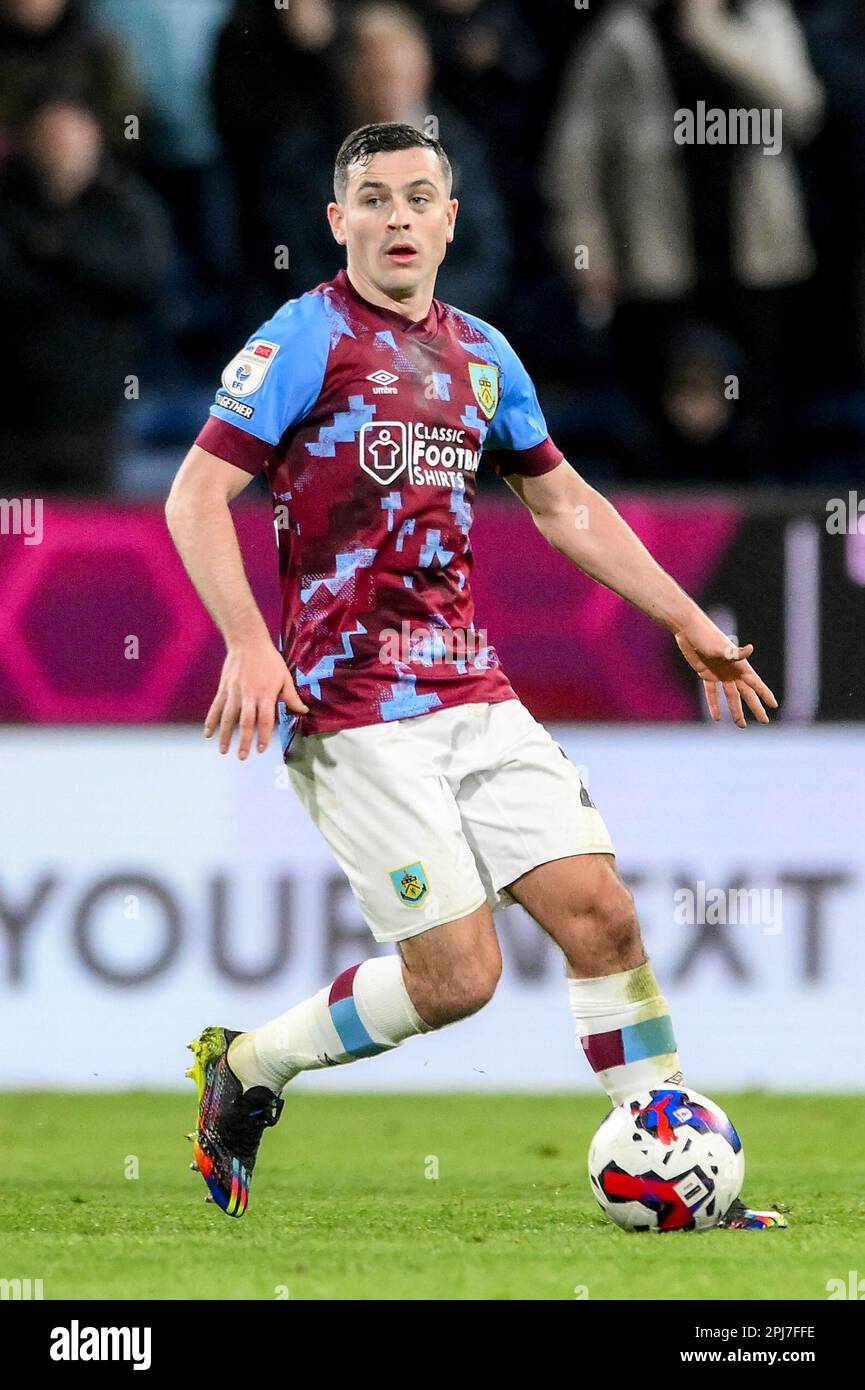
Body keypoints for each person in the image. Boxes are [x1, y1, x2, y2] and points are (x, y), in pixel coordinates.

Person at [166, 121, 783, 1231]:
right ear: (337, 221)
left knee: (600, 912)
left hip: (473, 691)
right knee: (459, 978)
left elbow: (563, 504)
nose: (396, 217)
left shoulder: (485, 355)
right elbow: (193, 496)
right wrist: (250, 642)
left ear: (450, 220)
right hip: (349, 707)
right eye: (373, 199)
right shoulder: (303, 338)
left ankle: (675, 1166)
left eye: (417, 198)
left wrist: (688, 617)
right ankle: (251, 1066)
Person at [0, 88, 173, 491]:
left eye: (71, 141)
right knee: (13, 540)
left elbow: (145, 277)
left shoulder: (127, 205)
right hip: (12, 410)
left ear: (94, 140)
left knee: (88, 538)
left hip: (95, 411)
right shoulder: (8, 202)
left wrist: (61, 252)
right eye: (50, 140)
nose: (61, 153)